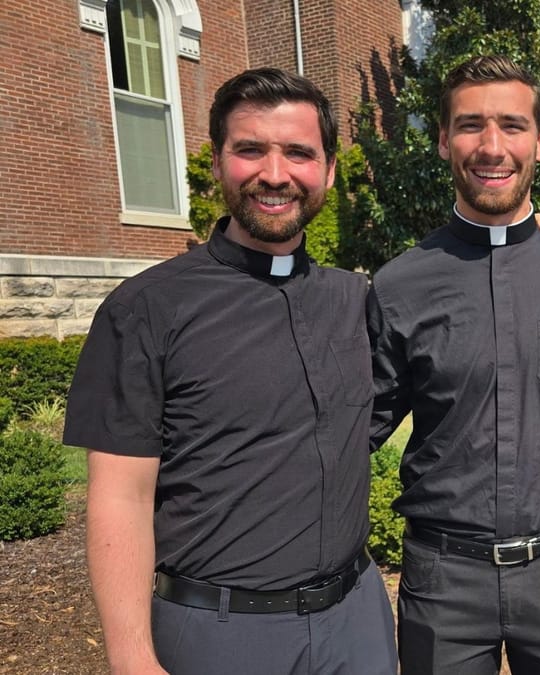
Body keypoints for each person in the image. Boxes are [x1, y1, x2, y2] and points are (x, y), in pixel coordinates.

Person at [63, 68, 397, 675]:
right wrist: (132, 657)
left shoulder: (354, 300)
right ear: (217, 161)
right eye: (250, 150)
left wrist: (527, 234)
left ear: (326, 169)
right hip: (219, 635)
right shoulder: (146, 309)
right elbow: (120, 493)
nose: (275, 174)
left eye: (299, 152)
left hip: (357, 623)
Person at [368, 54, 540, 674]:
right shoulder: (399, 283)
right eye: (469, 125)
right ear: (441, 139)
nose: (491, 146)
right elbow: (354, 428)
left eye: (511, 125)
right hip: (442, 579)